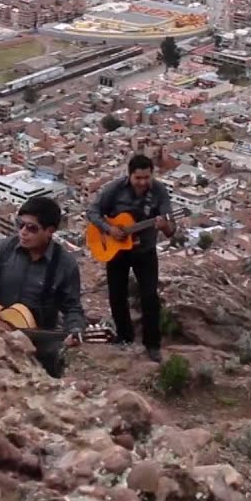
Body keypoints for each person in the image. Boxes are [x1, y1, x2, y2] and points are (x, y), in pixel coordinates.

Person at [0, 197, 87, 378]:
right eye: (21, 225)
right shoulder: (4, 249)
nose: (23, 232)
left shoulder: (65, 264)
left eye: (32, 228)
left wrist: (75, 330)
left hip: (40, 338)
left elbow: (72, 307)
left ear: (50, 231)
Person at [87, 153, 175, 363]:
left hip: (145, 251)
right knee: (117, 296)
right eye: (139, 178)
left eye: (147, 177)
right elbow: (92, 211)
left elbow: (171, 228)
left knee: (150, 297)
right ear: (130, 176)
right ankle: (124, 337)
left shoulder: (159, 192)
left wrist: (165, 226)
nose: (143, 182)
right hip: (116, 251)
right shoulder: (115, 189)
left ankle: (152, 344)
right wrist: (109, 229)